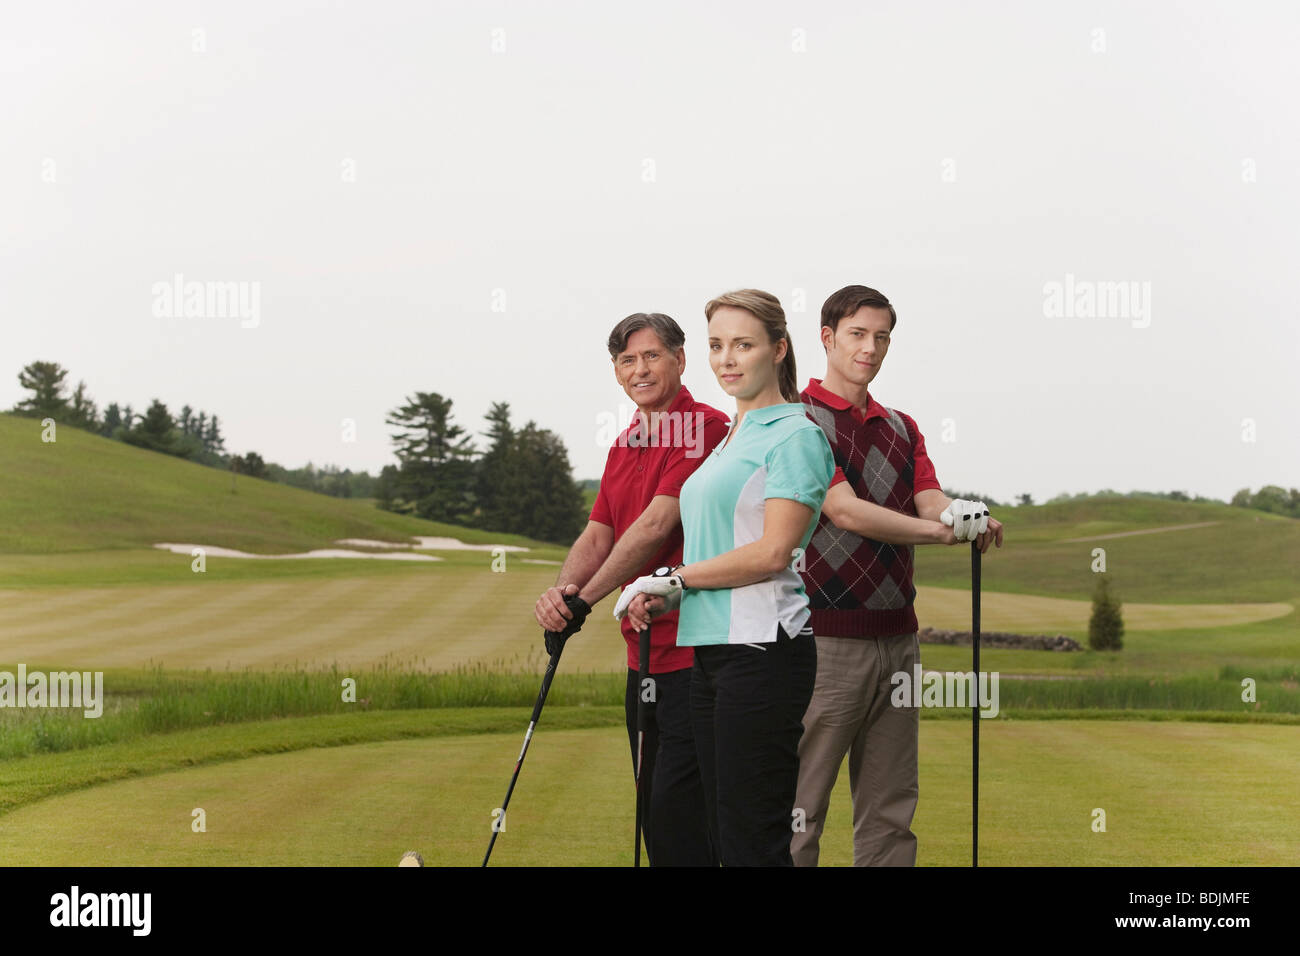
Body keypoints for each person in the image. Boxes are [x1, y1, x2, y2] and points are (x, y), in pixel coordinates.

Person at [791, 284, 1004, 867]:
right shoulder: (797, 421)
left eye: (882, 337)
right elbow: (844, 510)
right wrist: (941, 535)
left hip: (898, 638)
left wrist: (962, 515)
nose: (871, 348)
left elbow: (927, 496)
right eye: (858, 334)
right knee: (801, 808)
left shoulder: (902, 427)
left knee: (890, 810)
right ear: (828, 338)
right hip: (825, 639)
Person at [622, 289, 834, 866]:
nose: (727, 359)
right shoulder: (730, 439)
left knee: (751, 842)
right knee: (716, 833)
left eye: (744, 344)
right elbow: (724, 544)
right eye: (717, 345)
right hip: (709, 651)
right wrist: (668, 596)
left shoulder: (795, 434)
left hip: (764, 651)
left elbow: (771, 552)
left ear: (780, 349)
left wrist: (674, 579)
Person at [533, 312, 728, 866]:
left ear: (680, 359)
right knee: (655, 814)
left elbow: (656, 525)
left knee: (679, 815)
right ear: (616, 372)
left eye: (651, 356)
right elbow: (601, 531)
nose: (639, 370)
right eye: (627, 360)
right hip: (643, 660)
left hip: (698, 654)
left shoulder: (707, 429)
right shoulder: (625, 444)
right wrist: (561, 594)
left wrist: (584, 601)